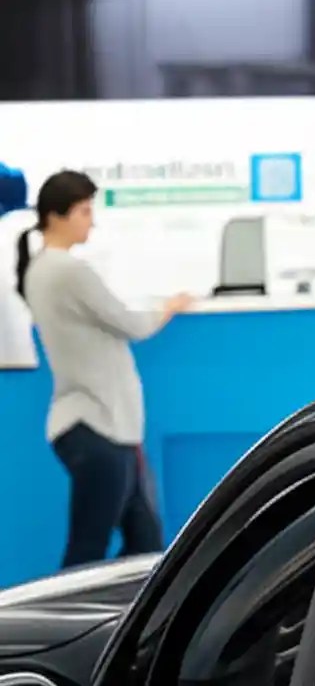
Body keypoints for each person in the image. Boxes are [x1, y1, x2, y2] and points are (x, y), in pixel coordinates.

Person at [14, 170, 194, 569]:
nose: (91, 220)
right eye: (83, 210)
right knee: (88, 554)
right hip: (97, 426)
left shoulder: (41, 270)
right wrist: (169, 306)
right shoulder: (67, 271)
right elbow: (133, 324)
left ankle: (126, 627)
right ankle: (72, 630)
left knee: (144, 543)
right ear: (56, 216)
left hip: (104, 427)